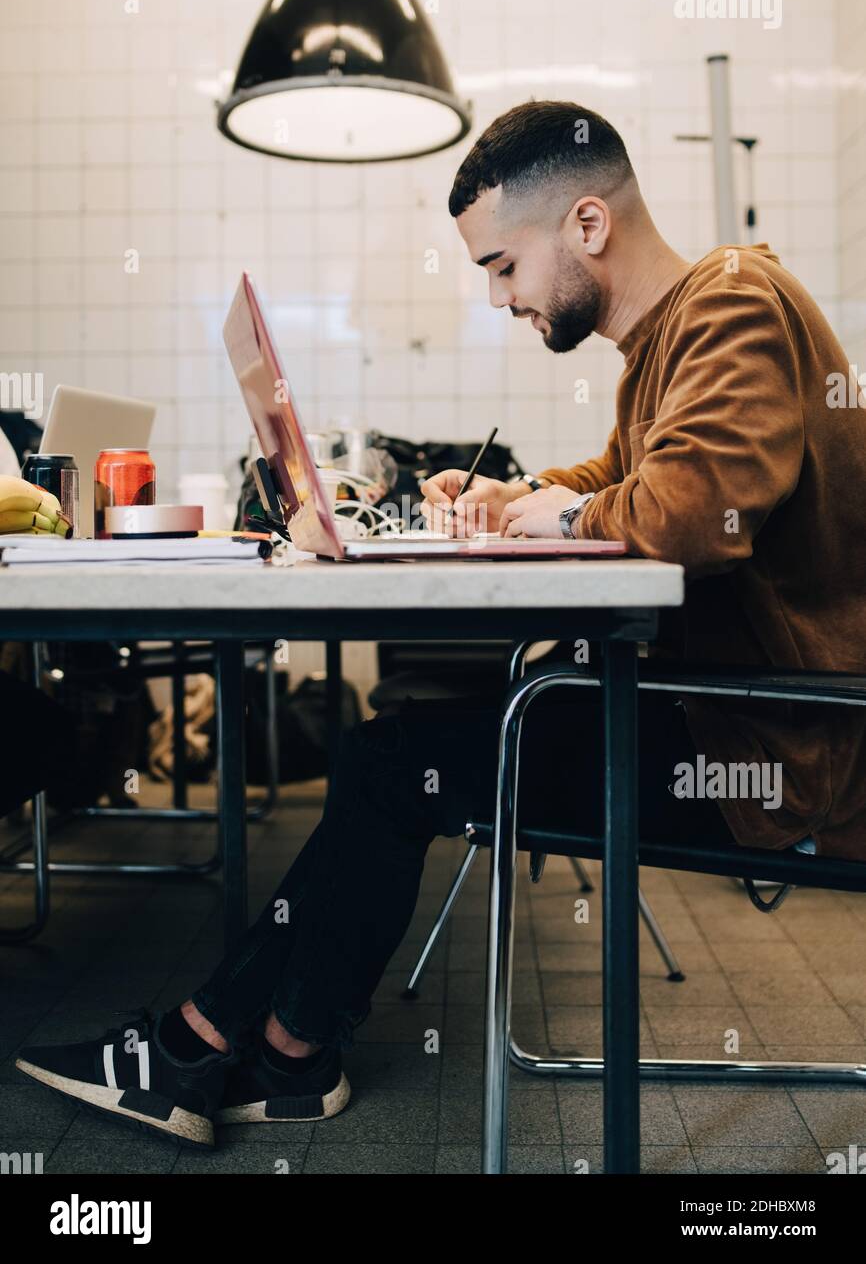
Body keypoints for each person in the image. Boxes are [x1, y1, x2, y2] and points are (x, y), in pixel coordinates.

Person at [16, 100, 866, 1150]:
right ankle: (273, 1046)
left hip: (773, 752)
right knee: (394, 745)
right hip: (715, 717)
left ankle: (222, 1047)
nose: (501, 298)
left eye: (503, 267)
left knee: (389, 763)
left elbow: (689, 510)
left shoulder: (732, 305)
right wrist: (518, 492)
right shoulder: (671, 336)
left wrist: (557, 510)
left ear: (587, 226)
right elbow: (624, 476)